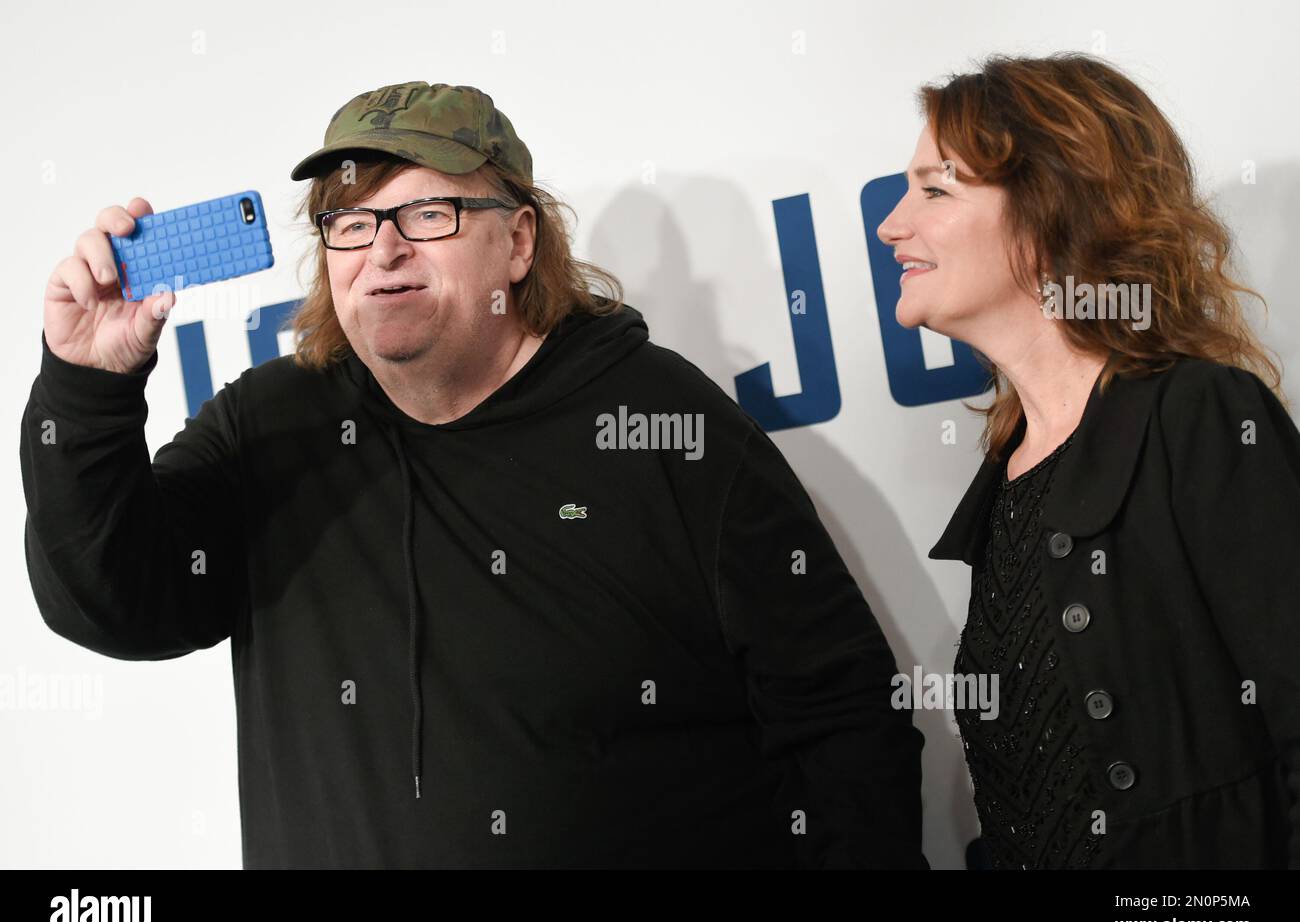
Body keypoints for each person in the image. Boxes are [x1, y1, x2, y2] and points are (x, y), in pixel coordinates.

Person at [22, 81, 926, 868]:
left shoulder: (662, 425)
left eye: (427, 214)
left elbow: (844, 722)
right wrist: (89, 389)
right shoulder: (272, 425)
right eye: (351, 221)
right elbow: (112, 599)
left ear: (520, 241)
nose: (382, 250)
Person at [877, 53, 1300, 869]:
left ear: (1047, 213)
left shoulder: (1200, 419)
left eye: (935, 189)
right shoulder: (1009, 477)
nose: (894, 223)